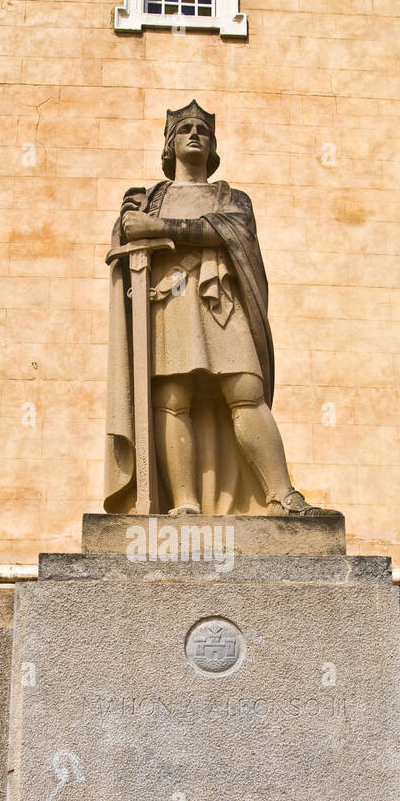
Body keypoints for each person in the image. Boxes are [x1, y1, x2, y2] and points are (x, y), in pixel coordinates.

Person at [104, 100, 325, 516]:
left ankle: (282, 493)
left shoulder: (232, 197)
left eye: (202, 130)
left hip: (219, 298)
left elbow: (233, 230)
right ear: (169, 145)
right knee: (172, 396)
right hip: (169, 302)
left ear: (212, 145)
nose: (194, 134)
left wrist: (161, 230)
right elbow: (124, 244)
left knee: (245, 389)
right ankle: (184, 503)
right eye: (184, 128)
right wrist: (129, 226)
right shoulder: (148, 198)